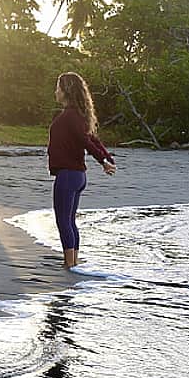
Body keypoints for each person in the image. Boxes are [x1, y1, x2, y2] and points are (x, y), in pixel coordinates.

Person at [48, 71, 116, 269]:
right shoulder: (78, 115)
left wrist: (103, 161)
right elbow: (93, 139)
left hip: (68, 175)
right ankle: (73, 261)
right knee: (69, 220)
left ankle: (69, 263)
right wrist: (106, 158)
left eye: (58, 88)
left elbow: (86, 141)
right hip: (77, 176)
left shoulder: (70, 116)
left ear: (66, 91)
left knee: (64, 221)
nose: (56, 92)